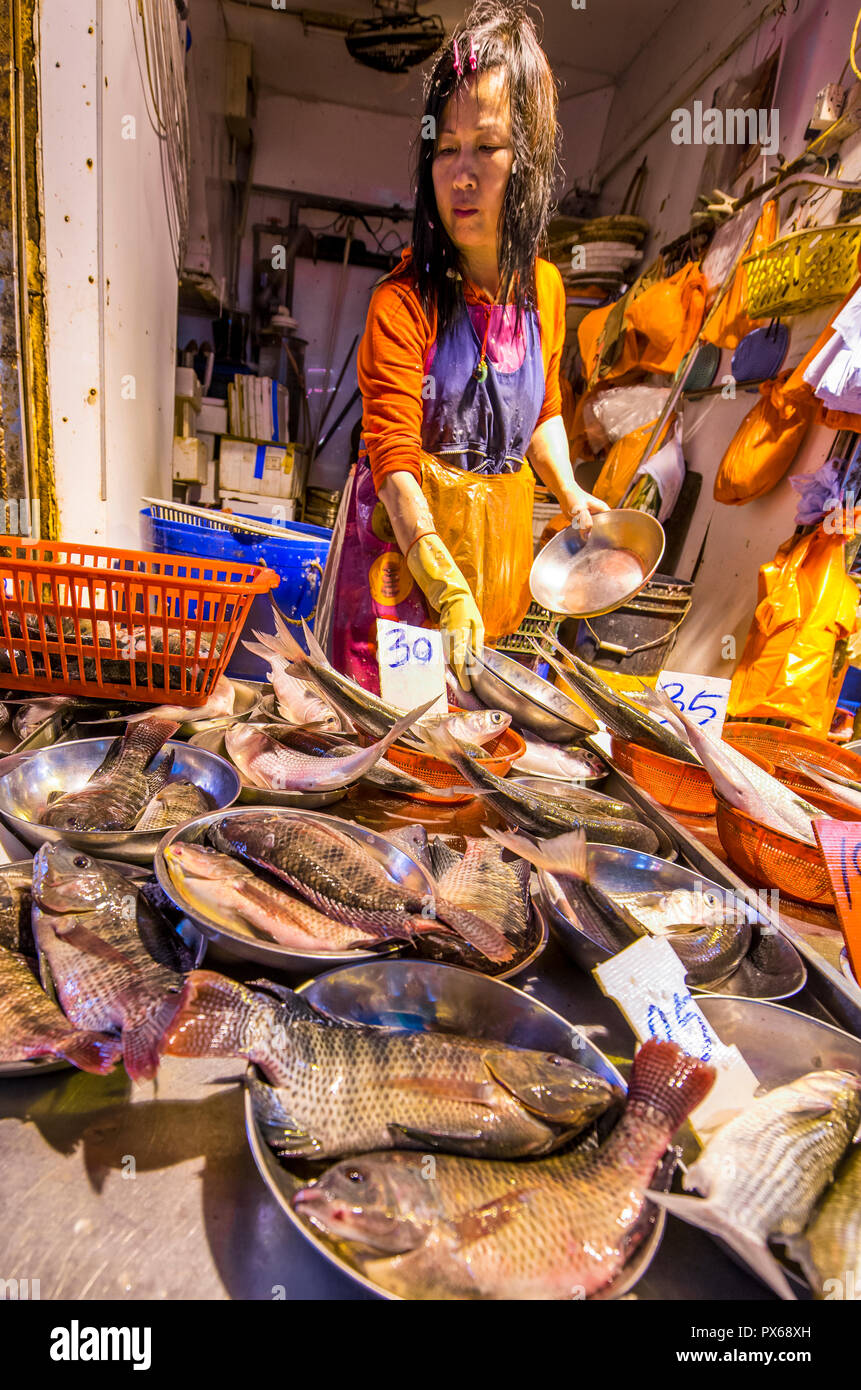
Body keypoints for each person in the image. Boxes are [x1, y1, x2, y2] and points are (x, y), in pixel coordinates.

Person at [323, 0, 607, 693]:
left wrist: (570, 494)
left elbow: (538, 413)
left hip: (496, 564)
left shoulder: (543, 289)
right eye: (445, 149)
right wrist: (445, 591)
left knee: (475, 749)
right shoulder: (400, 302)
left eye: (487, 146)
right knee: (393, 743)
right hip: (397, 566)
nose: (461, 174)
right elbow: (392, 465)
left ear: (529, 158)